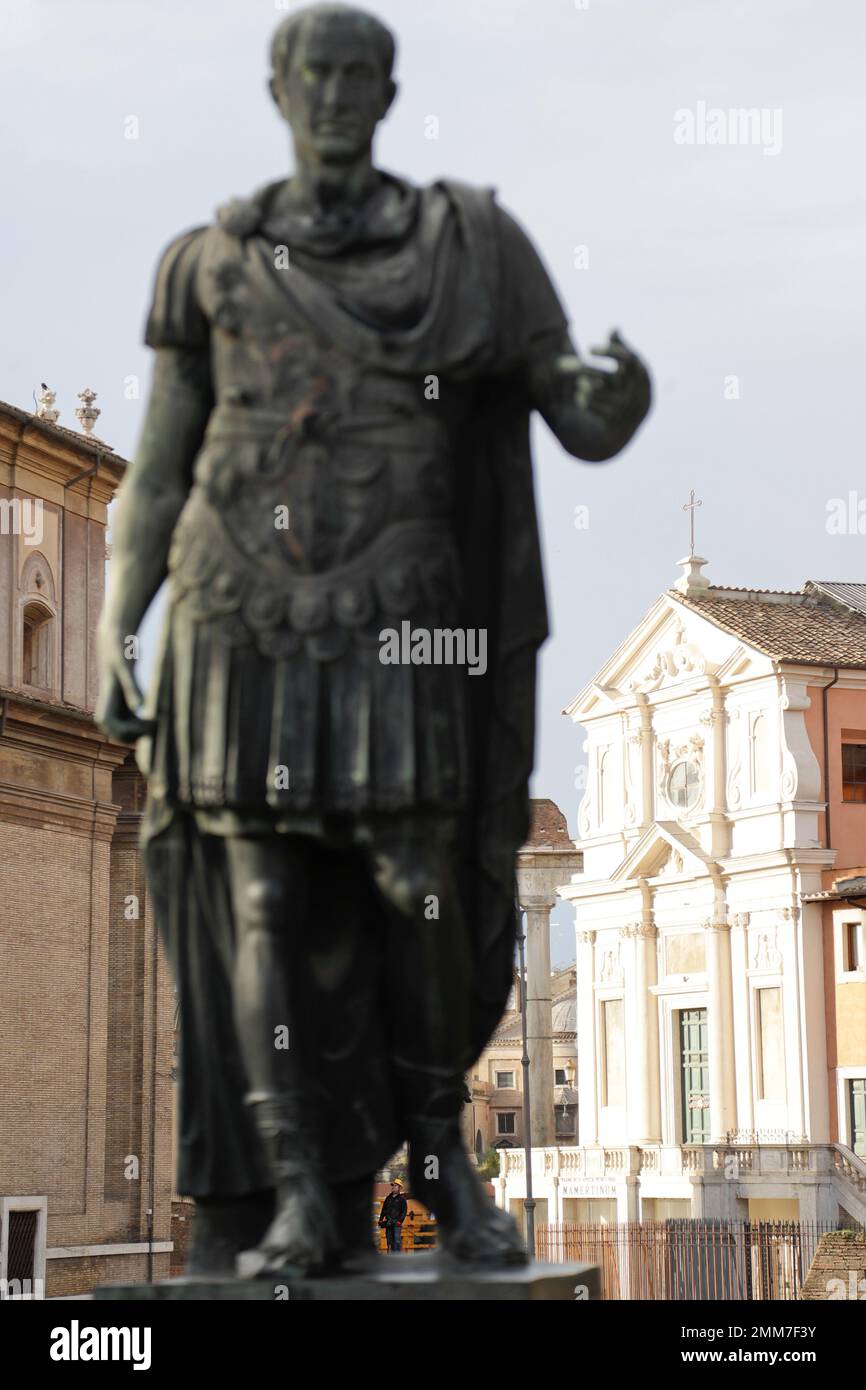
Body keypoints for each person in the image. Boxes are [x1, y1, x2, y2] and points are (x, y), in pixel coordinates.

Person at [97, 2, 650, 1278]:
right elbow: (162, 461)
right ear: (279, 88)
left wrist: (610, 399)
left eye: (360, 75)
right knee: (259, 903)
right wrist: (122, 621)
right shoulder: (208, 261)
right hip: (235, 613)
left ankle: (440, 1153)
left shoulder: (468, 246)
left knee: (425, 883)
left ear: (387, 93)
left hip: (399, 606)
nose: (336, 95)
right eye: (315, 74)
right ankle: (293, 1187)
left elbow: (569, 404)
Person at [378, 1181, 407, 1253]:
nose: (393, 1187)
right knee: (389, 1240)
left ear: (399, 1188)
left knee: (397, 1240)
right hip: (388, 1222)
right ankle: (391, 1255)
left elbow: (404, 1212)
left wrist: (400, 1221)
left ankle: (397, 1256)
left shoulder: (402, 1199)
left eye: (395, 1185)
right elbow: (384, 1210)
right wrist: (381, 1220)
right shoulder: (388, 1198)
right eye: (393, 1185)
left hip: (397, 1223)